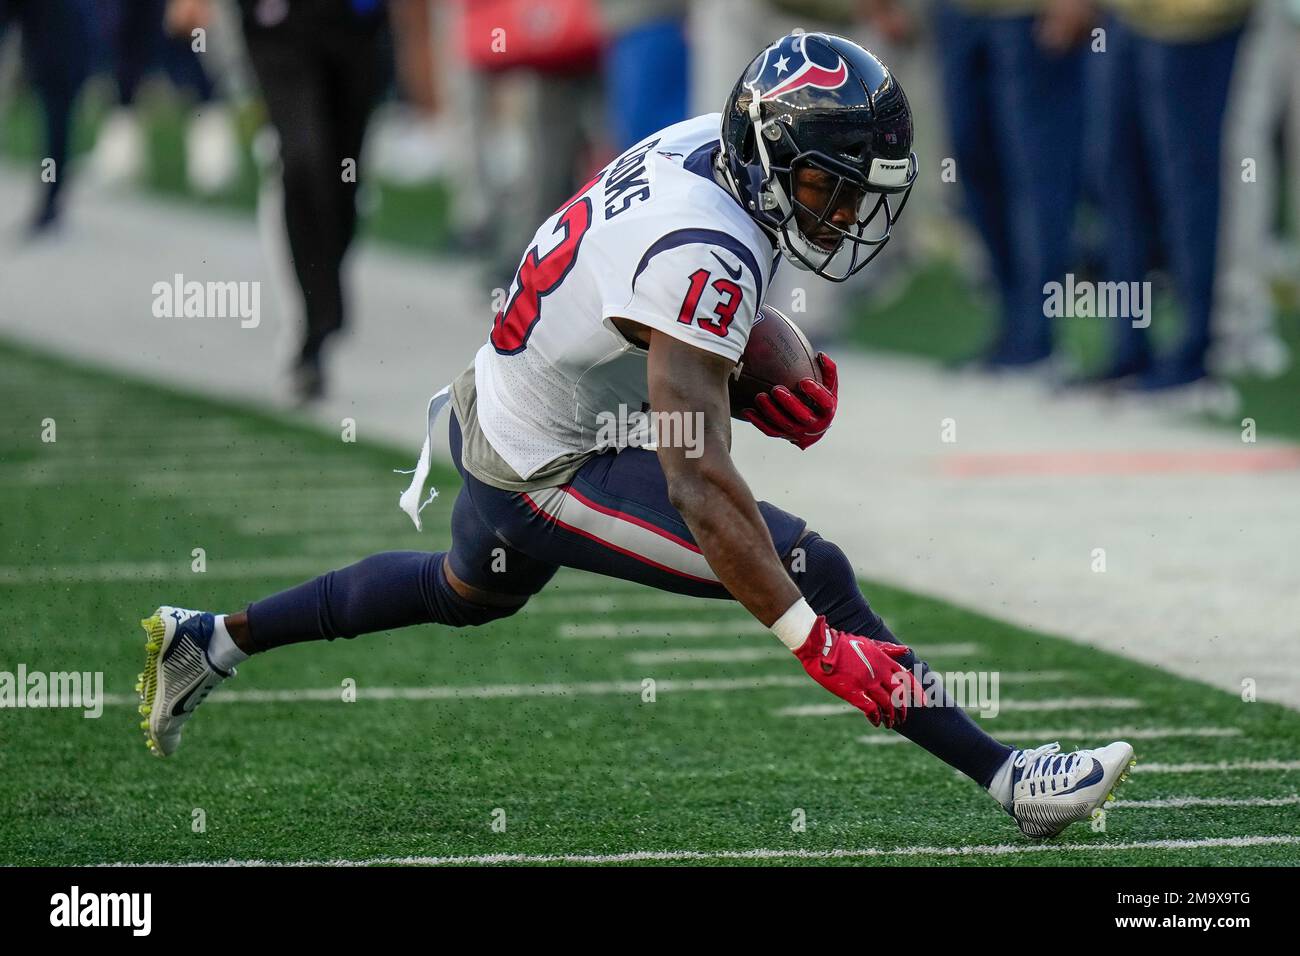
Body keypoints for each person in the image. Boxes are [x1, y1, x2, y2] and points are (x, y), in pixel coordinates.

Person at [136, 32, 1134, 839]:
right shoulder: (701, 247)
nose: (846, 209)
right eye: (830, 185)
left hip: (511, 395)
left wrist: (757, 360)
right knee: (811, 568)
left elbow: (659, 302)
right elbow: (696, 476)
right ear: (773, 161)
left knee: (464, 591)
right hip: (548, 457)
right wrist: (810, 637)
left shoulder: (710, 143)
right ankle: (1009, 777)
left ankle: (211, 636)